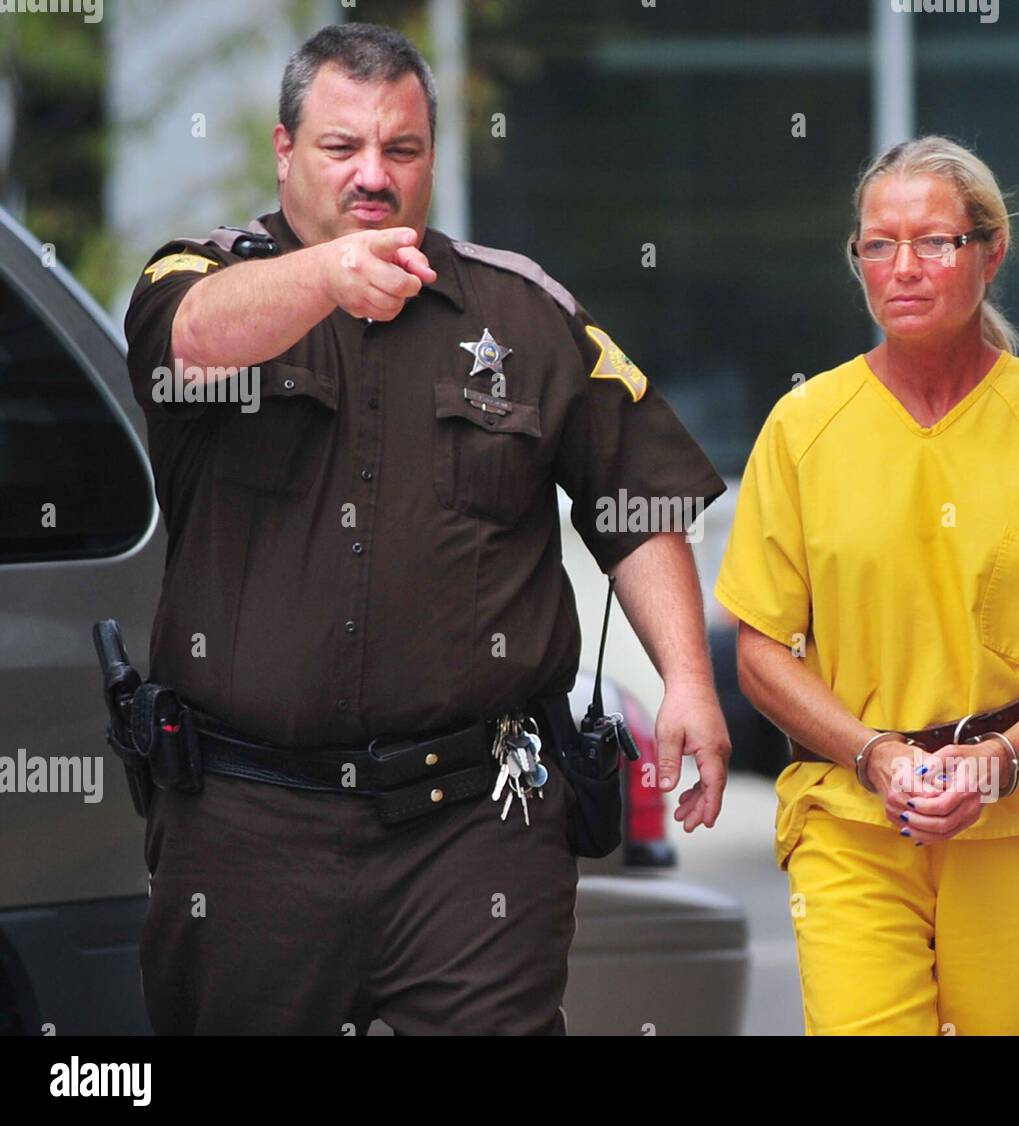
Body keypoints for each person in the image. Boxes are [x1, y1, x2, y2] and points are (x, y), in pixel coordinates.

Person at [122, 22, 730, 1035]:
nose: (373, 175)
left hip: (475, 825)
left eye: (400, 149)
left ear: (432, 160)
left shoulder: (521, 311)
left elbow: (639, 499)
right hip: (246, 820)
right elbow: (186, 342)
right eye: (340, 148)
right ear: (284, 153)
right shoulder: (200, 276)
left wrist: (690, 682)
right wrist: (327, 275)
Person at [714, 135, 1019, 1035]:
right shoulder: (804, 427)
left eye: (935, 242)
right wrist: (873, 754)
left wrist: (999, 761)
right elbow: (762, 651)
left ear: (991, 252)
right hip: (852, 810)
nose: (904, 268)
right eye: (878, 245)